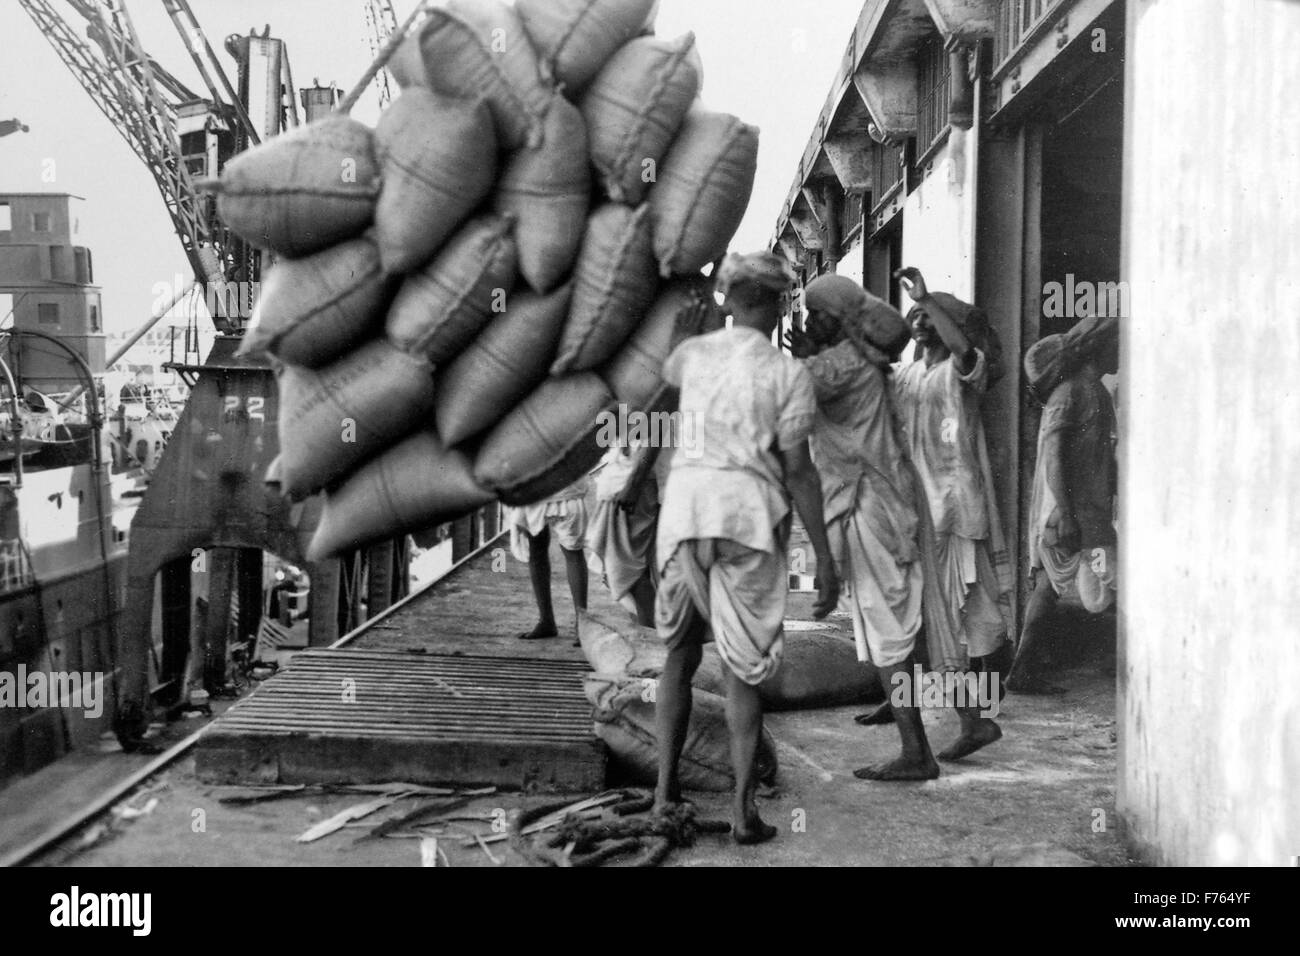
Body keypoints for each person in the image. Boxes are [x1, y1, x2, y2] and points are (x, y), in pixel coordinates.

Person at [653, 251, 839, 844]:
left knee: (678, 659)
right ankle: (742, 813)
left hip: (685, 516)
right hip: (747, 522)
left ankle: (663, 793)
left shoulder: (691, 356)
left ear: (728, 299)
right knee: (742, 675)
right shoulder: (788, 375)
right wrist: (827, 559)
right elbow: (800, 474)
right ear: (783, 305)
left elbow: (662, 385)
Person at [788, 274, 939, 780]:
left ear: (835, 321)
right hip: (882, 504)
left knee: (886, 630)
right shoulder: (861, 362)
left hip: (868, 508)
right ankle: (901, 715)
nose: (809, 323)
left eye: (816, 316)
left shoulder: (842, 366)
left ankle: (916, 752)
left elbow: (786, 389)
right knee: (891, 626)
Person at [891, 267, 1014, 761]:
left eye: (930, 314)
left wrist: (927, 297)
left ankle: (974, 721)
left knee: (942, 622)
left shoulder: (963, 370)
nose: (920, 319)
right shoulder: (908, 374)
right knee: (940, 619)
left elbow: (964, 351)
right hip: (918, 510)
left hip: (951, 508)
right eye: (915, 313)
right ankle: (916, 702)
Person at [1007, 314, 1119, 693]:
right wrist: (1067, 514)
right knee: (1104, 583)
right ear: (1097, 348)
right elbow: (1053, 457)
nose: (1122, 350)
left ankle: (1023, 669)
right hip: (1070, 515)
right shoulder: (1072, 392)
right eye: (1116, 343)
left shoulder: (1092, 391)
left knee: (1054, 586)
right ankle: (1023, 670)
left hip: (1085, 513)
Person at [586, 441, 661, 626]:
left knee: (631, 572)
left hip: (632, 486)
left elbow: (653, 438)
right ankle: (644, 628)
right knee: (623, 570)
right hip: (623, 482)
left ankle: (649, 633)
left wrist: (633, 485)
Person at [507, 477, 589, 644]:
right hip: (538, 492)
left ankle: (580, 626)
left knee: (570, 552)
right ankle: (547, 621)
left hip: (561, 492)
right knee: (539, 550)